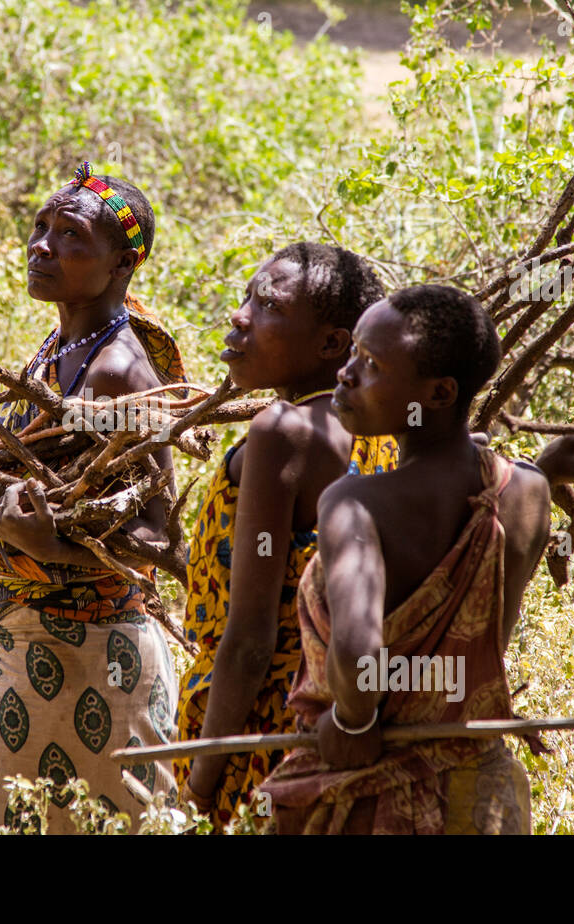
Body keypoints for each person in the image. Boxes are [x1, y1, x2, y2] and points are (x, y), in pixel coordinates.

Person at [0, 164, 184, 833]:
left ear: (123, 263)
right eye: (41, 227)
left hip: (98, 657)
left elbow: (162, 534)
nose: (41, 245)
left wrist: (51, 547)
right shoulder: (60, 345)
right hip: (29, 640)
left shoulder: (120, 371)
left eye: (71, 236)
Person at [260, 284, 552, 834]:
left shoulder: (355, 504)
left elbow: (356, 651)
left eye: (371, 365)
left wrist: (350, 721)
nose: (346, 375)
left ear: (439, 393)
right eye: (352, 354)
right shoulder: (530, 491)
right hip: (480, 791)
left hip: (364, 797)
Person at [174, 243, 397, 830]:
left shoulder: (282, 430)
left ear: (331, 343)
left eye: (268, 307)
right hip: (343, 719)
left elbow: (250, 643)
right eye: (246, 297)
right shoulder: (384, 431)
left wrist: (199, 784)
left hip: (260, 735)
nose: (239, 316)